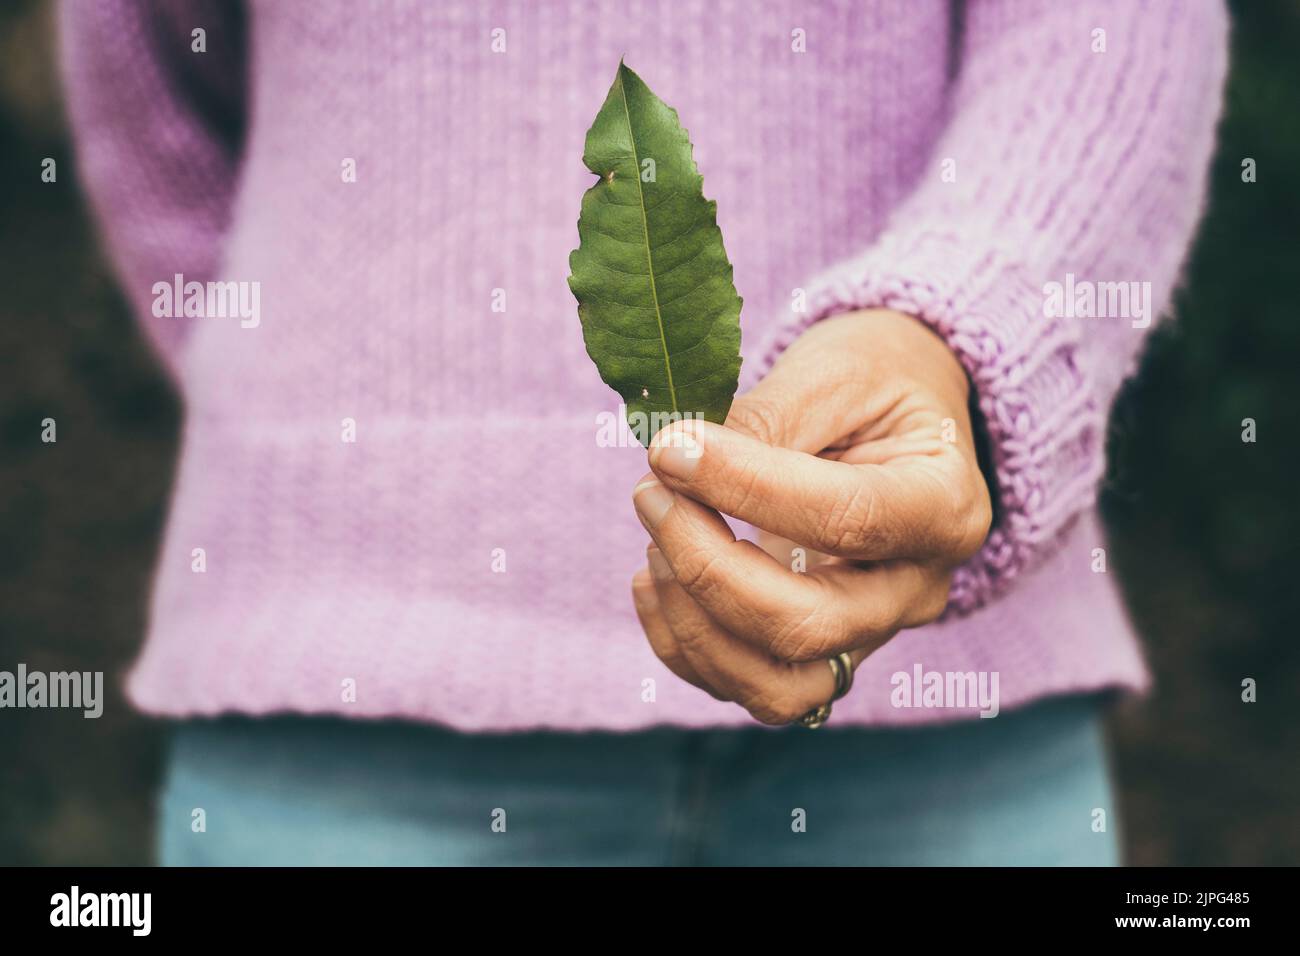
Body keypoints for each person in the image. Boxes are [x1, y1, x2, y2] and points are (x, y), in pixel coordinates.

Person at [60, 0, 1228, 865]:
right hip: (333, 713)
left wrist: (962, 338)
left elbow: (1112, 33)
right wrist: (319, 436)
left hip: (948, 724)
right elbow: (152, 101)